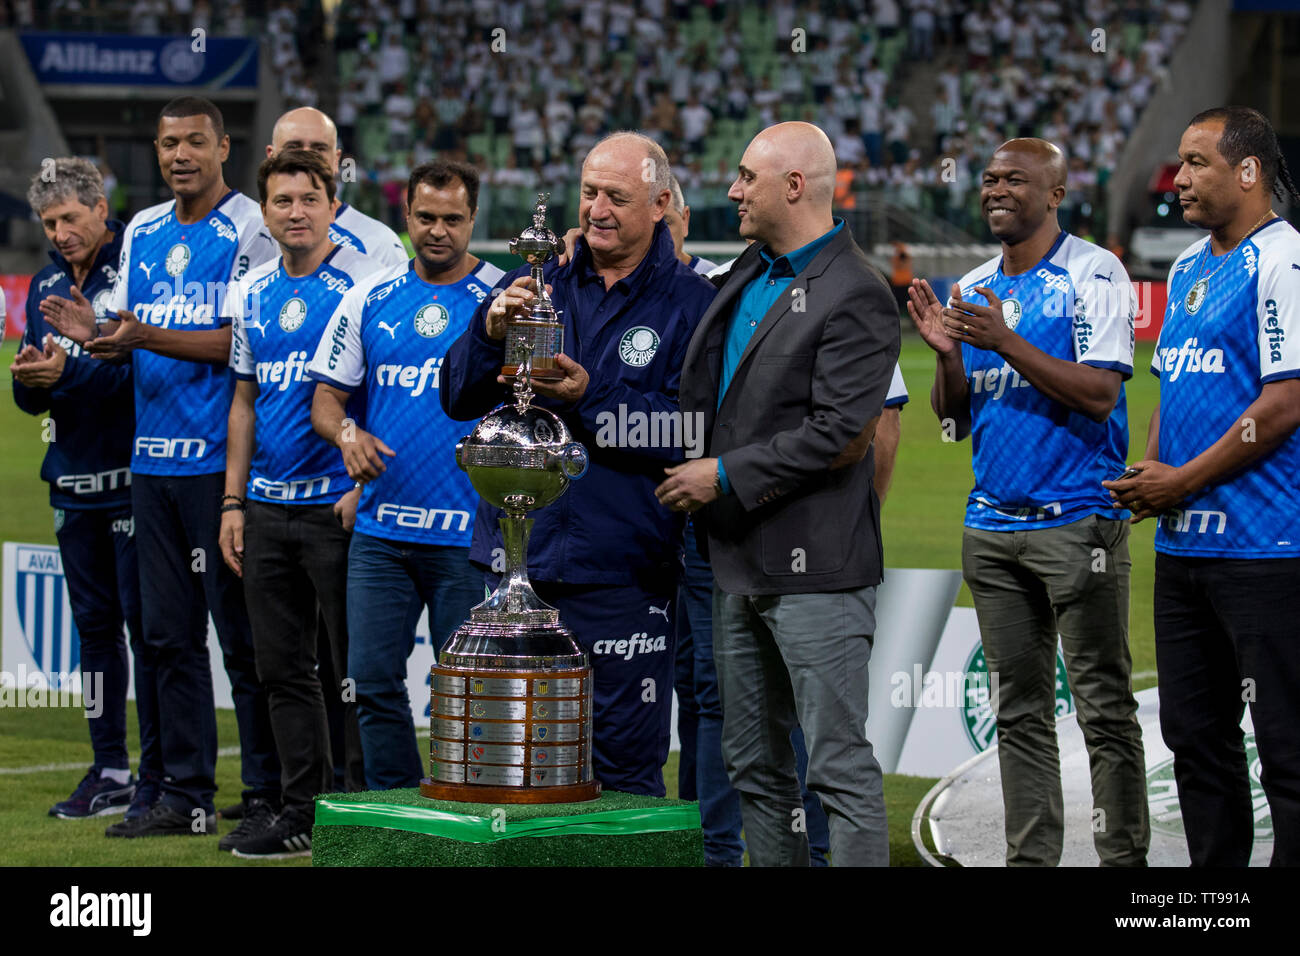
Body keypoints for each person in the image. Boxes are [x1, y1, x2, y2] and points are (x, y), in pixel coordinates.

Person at [442, 131, 716, 797]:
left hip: (623, 574)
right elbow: (456, 395)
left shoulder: (695, 305)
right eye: (589, 192)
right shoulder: (536, 284)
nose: (597, 209)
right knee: (516, 766)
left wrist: (588, 396)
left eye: (616, 197)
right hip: (517, 565)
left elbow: (688, 432)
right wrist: (486, 329)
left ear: (659, 204)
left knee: (621, 773)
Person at [42, 96, 281, 841]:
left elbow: (247, 340)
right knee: (165, 638)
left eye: (194, 142)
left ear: (222, 147)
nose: (180, 154)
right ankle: (184, 793)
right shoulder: (142, 229)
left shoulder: (251, 227)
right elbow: (129, 336)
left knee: (241, 641)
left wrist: (144, 333)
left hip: (220, 468)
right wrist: (99, 338)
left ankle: (272, 791)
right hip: (151, 465)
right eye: (168, 143)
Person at [665, 122, 900, 866]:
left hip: (816, 572)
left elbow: (841, 432)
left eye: (745, 177)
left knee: (835, 769)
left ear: (793, 186)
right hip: (736, 559)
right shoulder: (751, 268)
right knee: (754, 769)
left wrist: (725, 474)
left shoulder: (857, 290)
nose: (732, 190)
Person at [910, 137, 1147, 867]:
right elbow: (953, 422)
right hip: (991, 527)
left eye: (1016, 178)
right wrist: (950, 358)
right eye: (988, 179)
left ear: (1056, 193)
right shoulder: (974, 286)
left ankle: (1122, 862)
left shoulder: (1094, 272)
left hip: (1079, 523)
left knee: (1104, 710)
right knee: (1018, 715)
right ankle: (1031, 860)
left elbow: (1102, 391)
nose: (996, 189)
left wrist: (1005, 341)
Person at [1106, 106, 1300, 867]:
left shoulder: (1283, 261)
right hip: (1186, 551)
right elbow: (1172, 388)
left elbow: (1284, 402)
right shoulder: (1187, 268)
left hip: (1267, 550)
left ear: (1247, 171)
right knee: (1194, 738)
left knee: (1285, 746)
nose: (1178, 179)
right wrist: (1149, 479)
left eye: (1196, 163)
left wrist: (1179, 481)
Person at [309, 160, 500, 790]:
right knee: (371, 681)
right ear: (406, 217)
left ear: (474, 219)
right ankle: (397, 813)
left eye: (452, 219)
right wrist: (347, 435)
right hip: (382, 533)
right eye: (425, 217)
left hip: (468, 537)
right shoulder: (370, 296)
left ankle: (463, 813)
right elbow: (326, 400)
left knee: (467, 693)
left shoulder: (504, 300)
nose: (438, 230)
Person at [217, 150, 380, 857]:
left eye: (308, 198)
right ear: (267, 210)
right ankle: (301, 811)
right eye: (280, 200)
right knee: (281, 669)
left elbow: (379, 395)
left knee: (354, 671)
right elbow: (244, 400)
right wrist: (231, 502)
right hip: (265, 509)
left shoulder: (365, 283)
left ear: (330, 202)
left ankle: (365, 807)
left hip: (334, 509)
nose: (294, 212)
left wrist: (359, 485)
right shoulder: (251, 291)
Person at [12, 158, 162, 822]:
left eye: (70, 217)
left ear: (102, 209)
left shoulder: (138, 266)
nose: (60, 232)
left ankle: (160, 772)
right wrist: (31, 381)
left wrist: (61, 379)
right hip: (72, 483)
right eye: (49, 222)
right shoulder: (45, 279)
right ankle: (108, 767)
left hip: (135, 483)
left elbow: (131, 376)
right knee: (95, 634)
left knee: (150, 630)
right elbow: (26, 387)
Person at [267, 106, 408, 271]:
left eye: (319, 148)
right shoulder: (248, 233)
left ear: (336, 160)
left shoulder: (377, 243)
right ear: (271, 156)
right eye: (293, 147)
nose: (306, 157)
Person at [664, 175, 717, 276]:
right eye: (647, 225)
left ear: (685, 220)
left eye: (666, 223)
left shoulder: (715, 278)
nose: (656, 234)